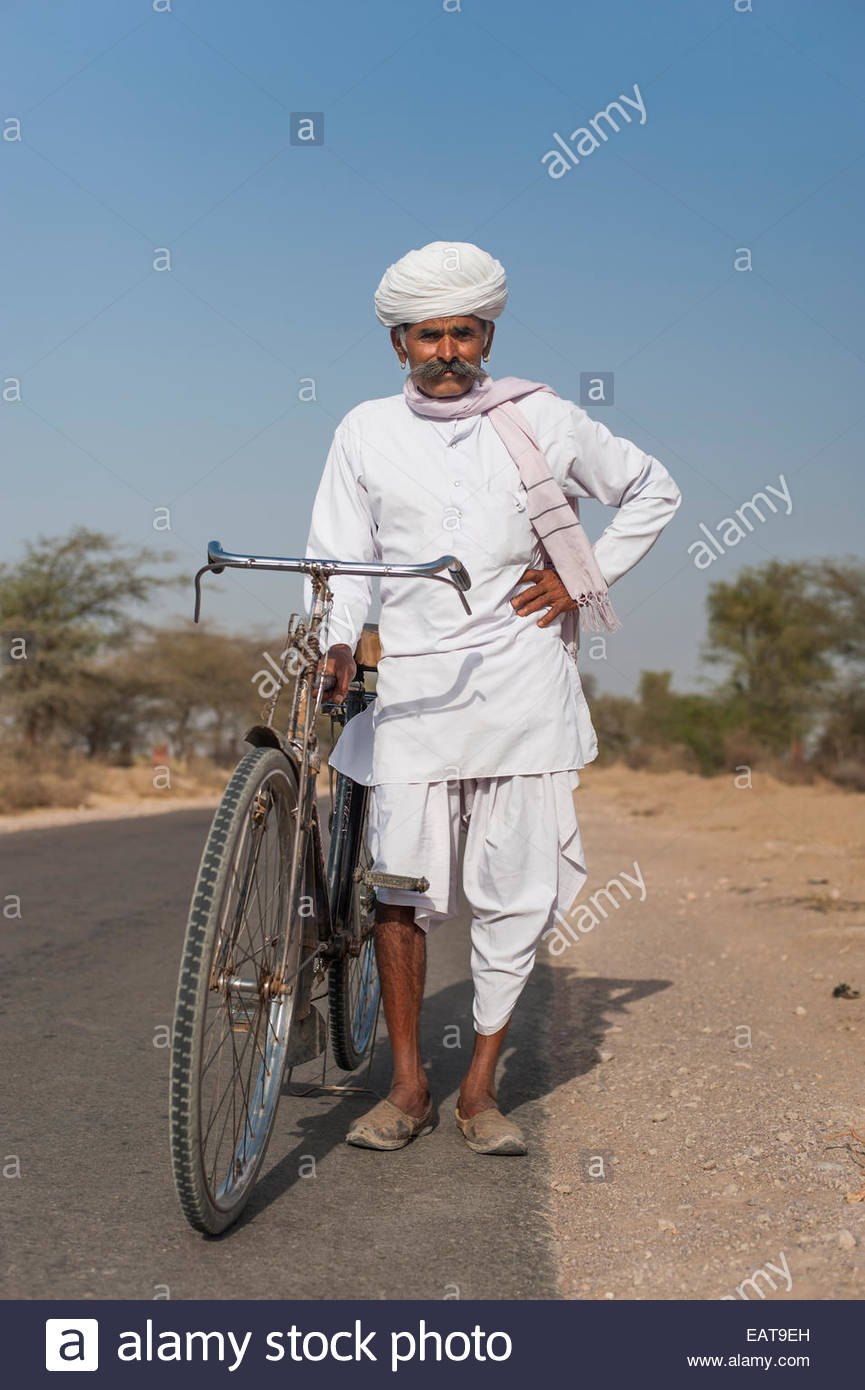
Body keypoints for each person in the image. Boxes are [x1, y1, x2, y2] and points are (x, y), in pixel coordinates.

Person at [305, 240, 681, 1156]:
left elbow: (651, 489)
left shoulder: (543, 420)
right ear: (399, 343)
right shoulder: (362, 430)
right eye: (427, 335)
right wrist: (332, 642)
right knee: (397, 895)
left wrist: (578, 578)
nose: (446, 351)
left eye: (461, 333)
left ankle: (479, 1089)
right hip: (414, 696)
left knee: (512, 898)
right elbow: (340, 558)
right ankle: (405, 1087)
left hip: (520, 690)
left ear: (487, 333)